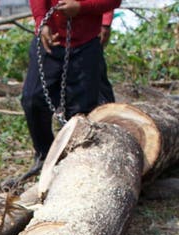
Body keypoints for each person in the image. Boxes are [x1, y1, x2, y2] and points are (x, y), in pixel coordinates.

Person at [18, 0, 121, 180]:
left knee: (80, 111)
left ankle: (77, 165)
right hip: (51, 38)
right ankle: (45, 155)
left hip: (85, 42)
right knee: (32, 99)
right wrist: (42, 22)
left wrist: (81, 8)